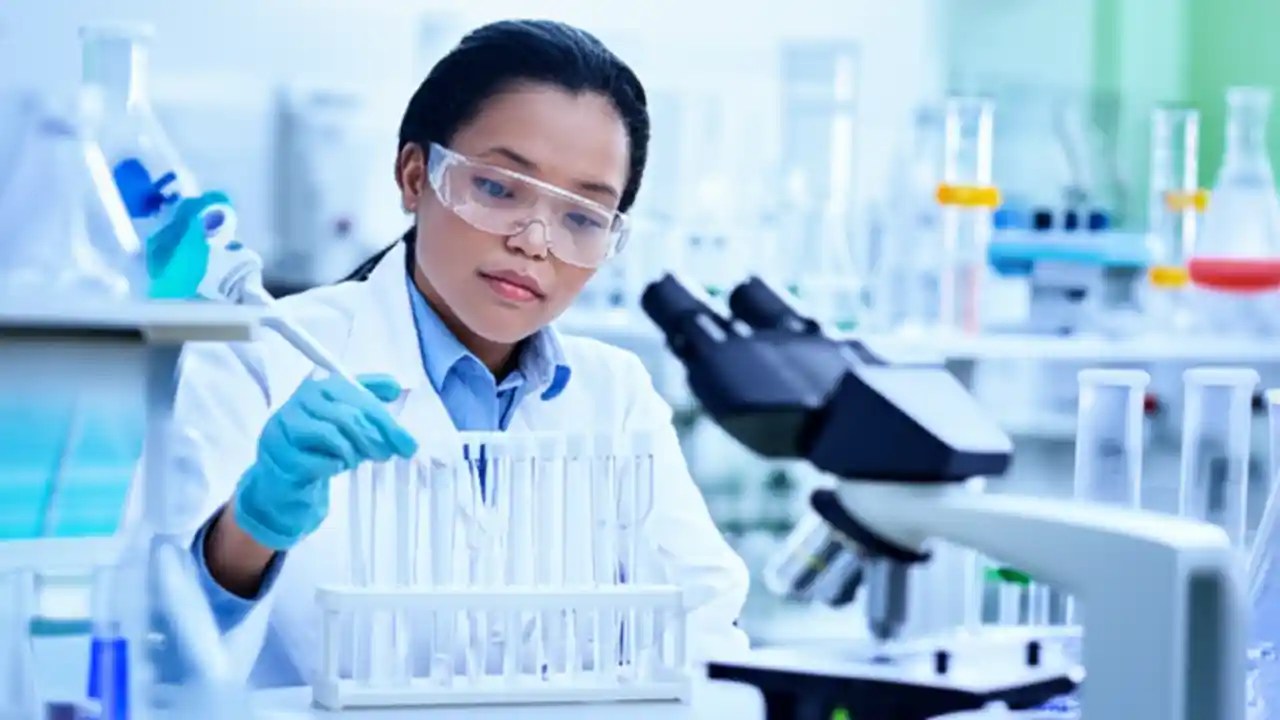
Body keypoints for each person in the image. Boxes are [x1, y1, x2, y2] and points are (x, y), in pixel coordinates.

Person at [167, 19, 749, 686]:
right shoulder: (256, 357)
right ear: (415, 176)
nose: (535, 240)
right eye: (499, 188)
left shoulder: (616, 398)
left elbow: (707, 636)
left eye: (582, 218)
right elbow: (168, 646)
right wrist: (255, 520)